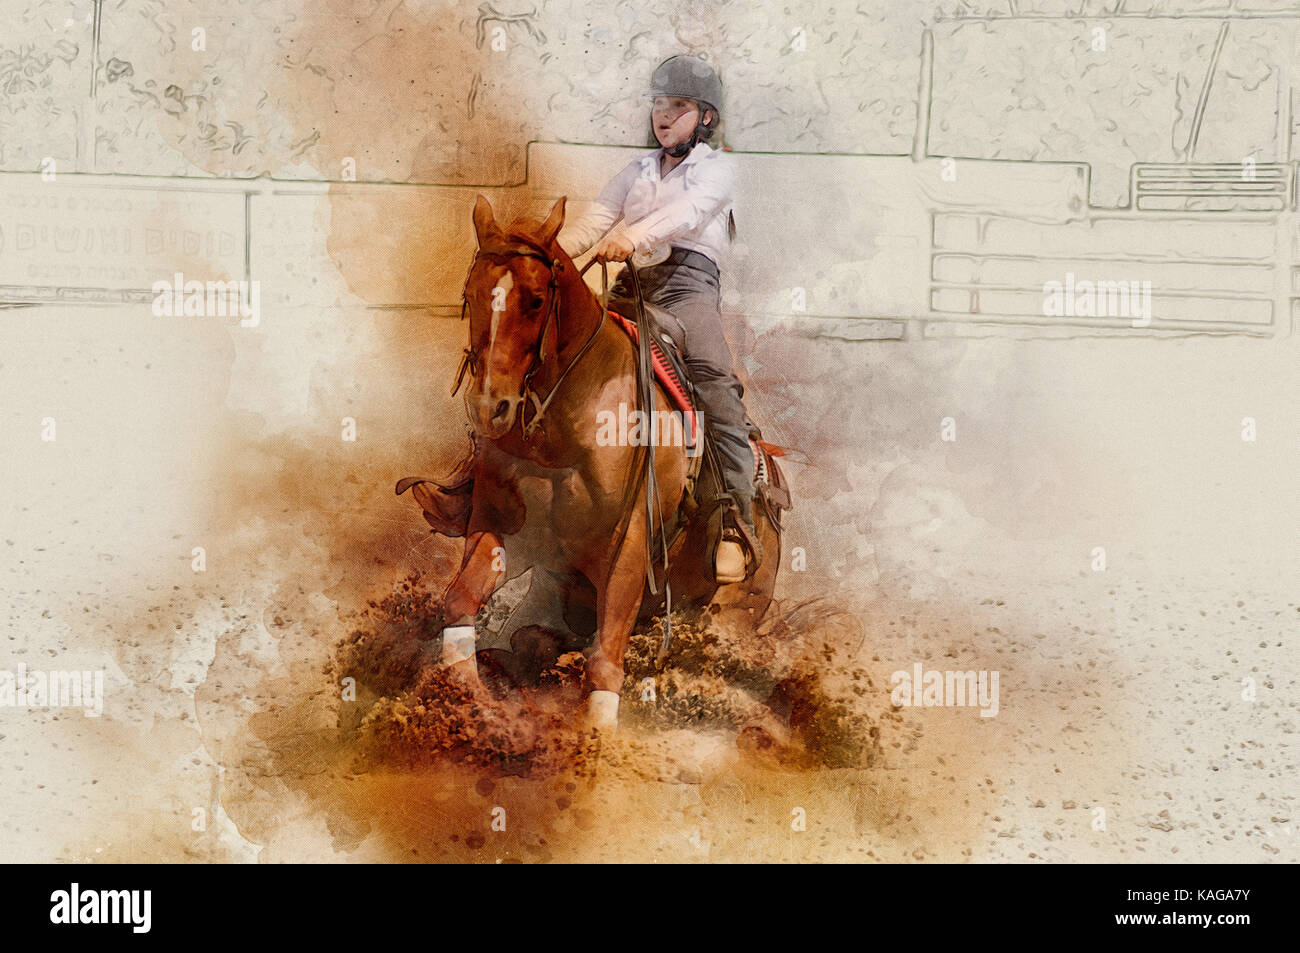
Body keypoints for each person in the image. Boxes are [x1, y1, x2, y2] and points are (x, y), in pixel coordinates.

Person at [415, 54, 761, 583]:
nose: (664, 117)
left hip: (688, 291)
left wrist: (631, 237)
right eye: (659, 106)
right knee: (551, 352)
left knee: (717, 384)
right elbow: (593, 223)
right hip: (630, 288)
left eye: (680, 107)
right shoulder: (637, 171)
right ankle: (478, 481)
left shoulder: (716, 170)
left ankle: (735, 519)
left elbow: (685, 215)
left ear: (706, 118)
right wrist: (539, 253)